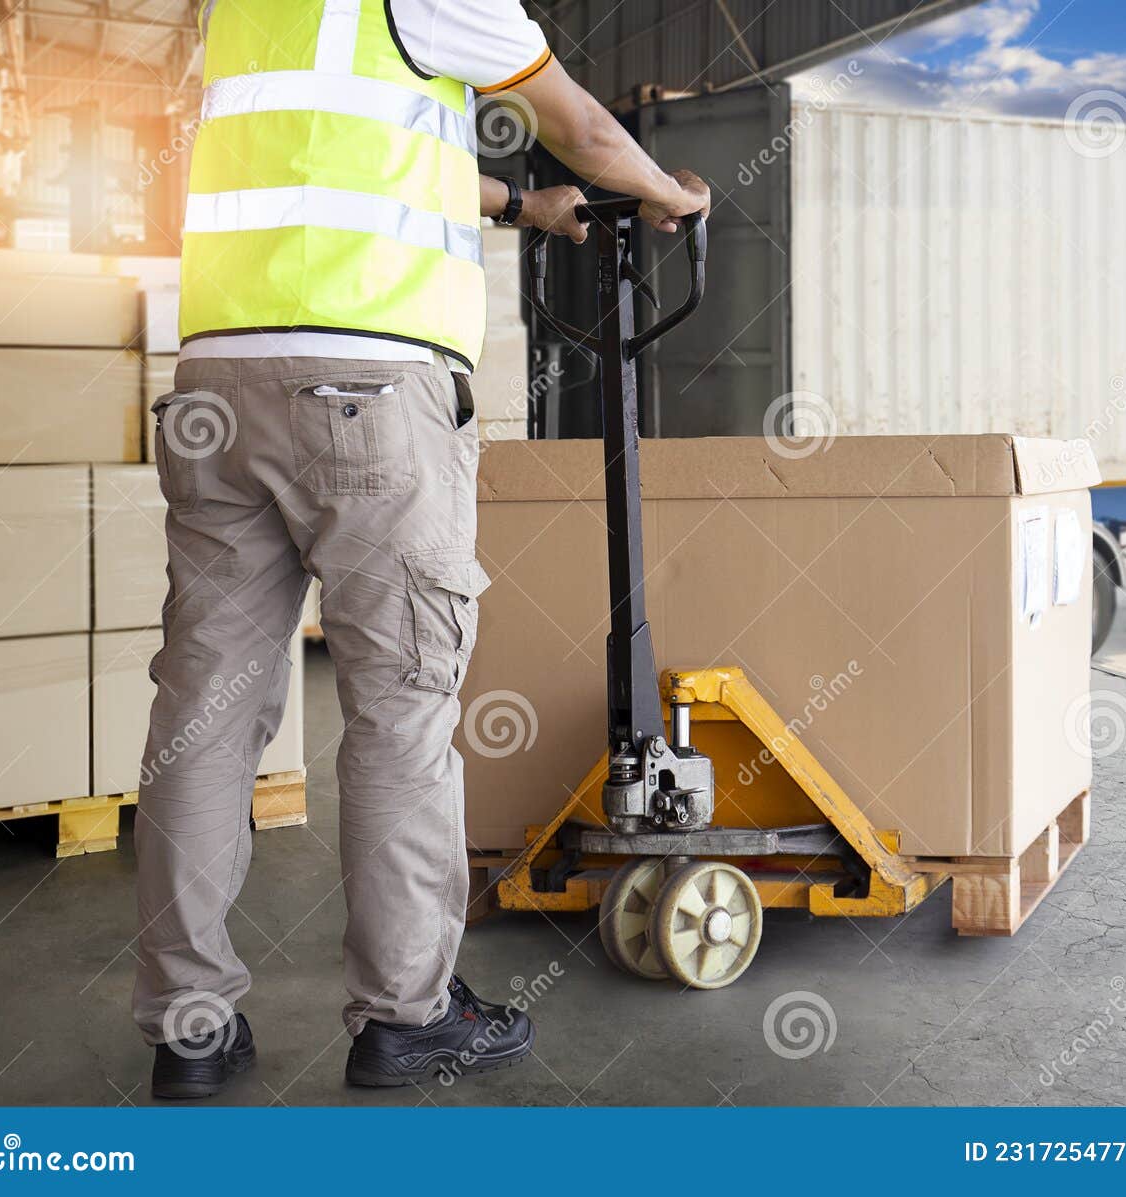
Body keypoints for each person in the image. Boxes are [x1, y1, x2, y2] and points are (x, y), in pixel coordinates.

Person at [134, 0, 711, 1098]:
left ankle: (188, 1029)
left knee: (203, 714)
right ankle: (406, 1015)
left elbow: (338, 171)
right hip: (367, 391)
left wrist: (518, 206)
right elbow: (585, 126)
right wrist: (666, 190)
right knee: (400, 711)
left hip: (215, 390)